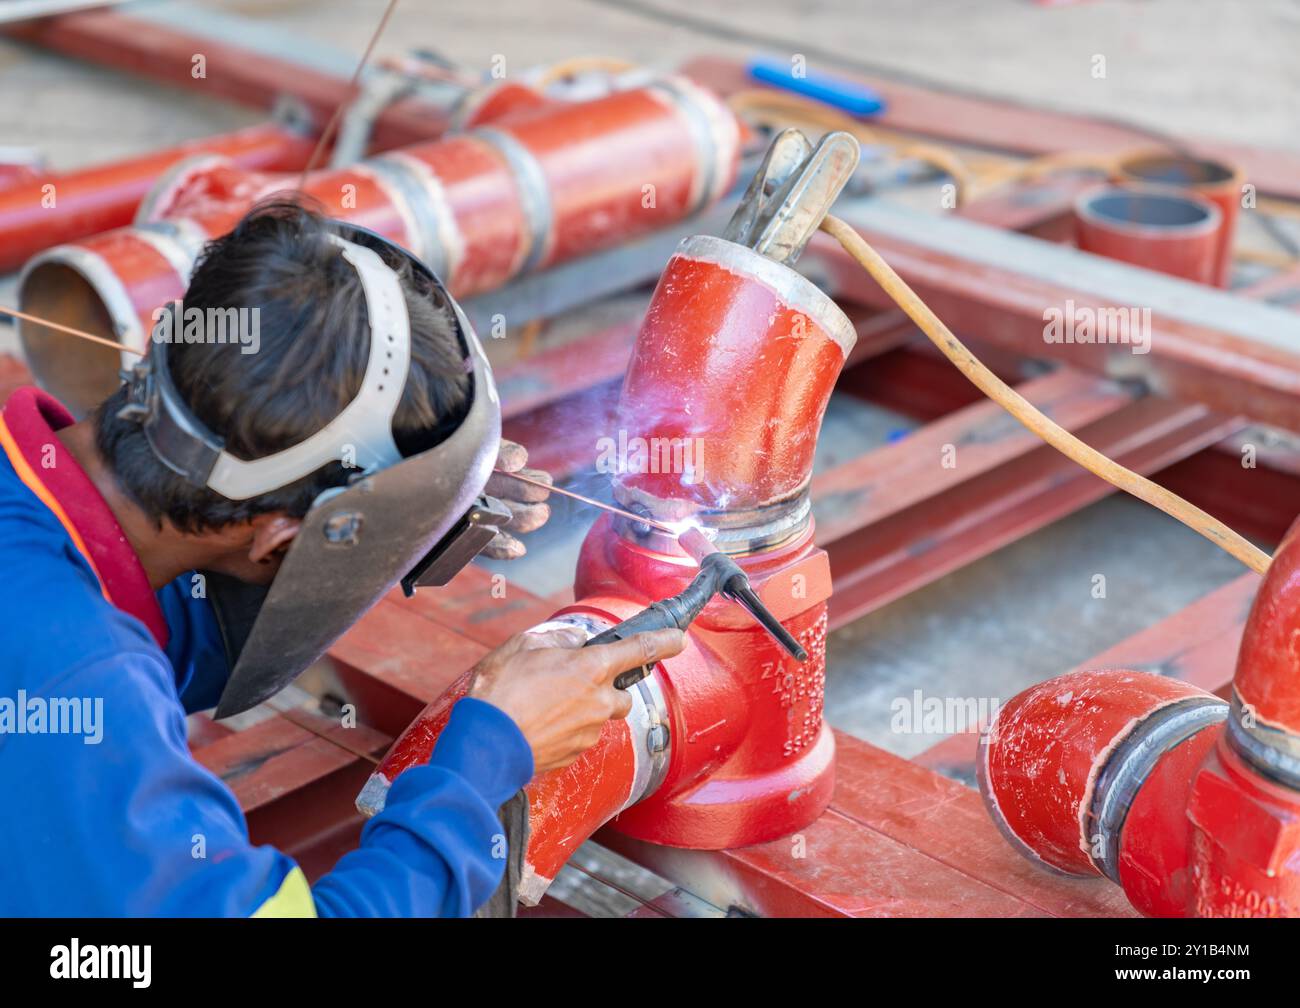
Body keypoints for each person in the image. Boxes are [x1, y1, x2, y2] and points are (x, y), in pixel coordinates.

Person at [0, 200, 683, 916]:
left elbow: (152, 612)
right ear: (275, 536)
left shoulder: (50, 540)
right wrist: (481, 767)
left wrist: (398, 528)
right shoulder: (89, 692)